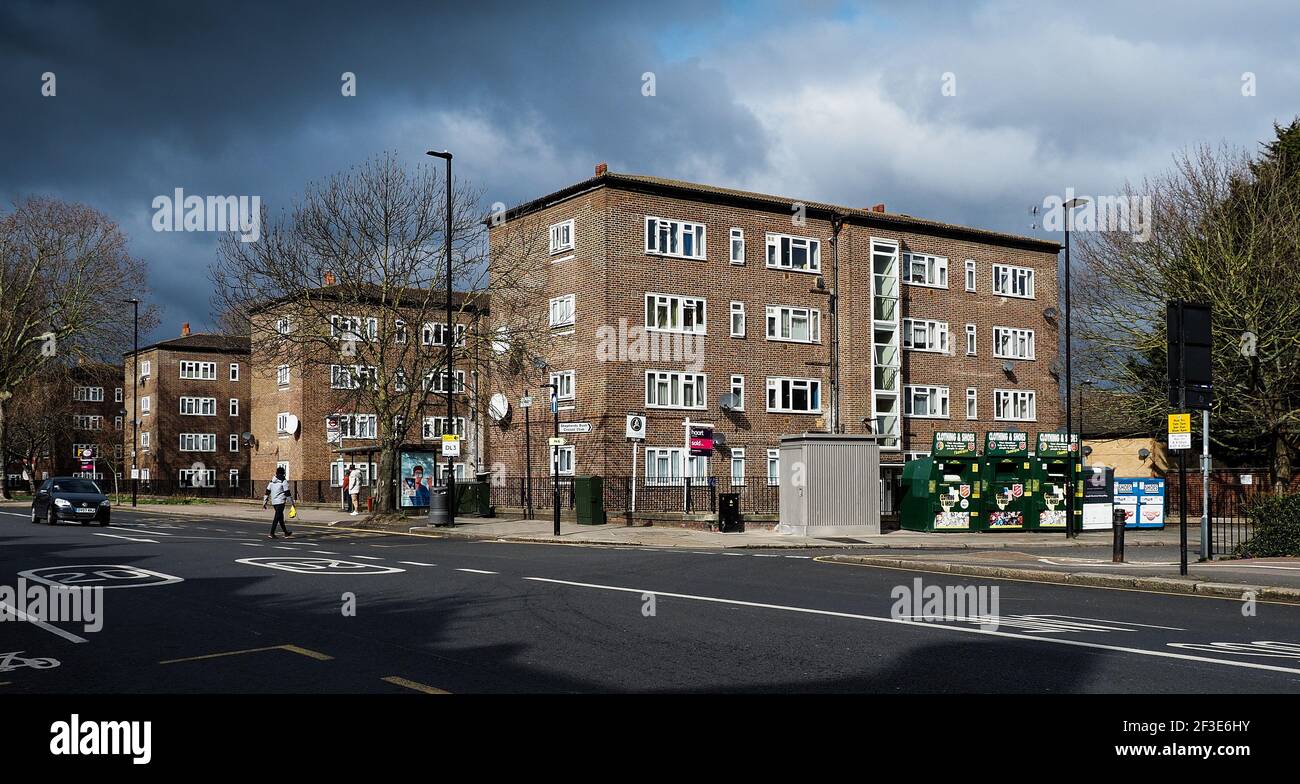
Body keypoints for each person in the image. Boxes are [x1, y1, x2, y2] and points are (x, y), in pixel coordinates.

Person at [262, 467, 293, 539]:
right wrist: (292, 503)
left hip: (274, 502)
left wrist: (264, 502)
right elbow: (287, 493)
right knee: (277, 518)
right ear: (283, 473)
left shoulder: (272, 481)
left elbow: (267, 492)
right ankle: (271, 533)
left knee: (280, 518)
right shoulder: (283, 481)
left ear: (276, 473)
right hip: (281, 502)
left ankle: (286, 533)